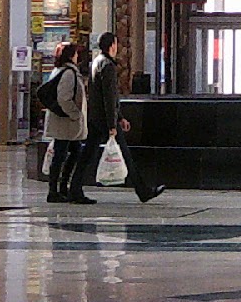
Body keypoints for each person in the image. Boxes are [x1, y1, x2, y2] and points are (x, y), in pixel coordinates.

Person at [76, 32, 164, 203]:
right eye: (116, 44)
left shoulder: (96, 63)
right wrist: (112, 123)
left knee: (87, 154)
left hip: (96, 118)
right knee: (125, 154)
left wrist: (120, 117)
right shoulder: (107, 65)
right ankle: (143, 191)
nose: (117, 48)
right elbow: (110, 97)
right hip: (105, 120)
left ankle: (74, 187)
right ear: (112, 45)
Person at [42, 42, 89, 203]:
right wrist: (75, 114)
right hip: (65, 123)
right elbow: (64, 98)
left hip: (64, 122)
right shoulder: (69, 73)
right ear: (71, 56)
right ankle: (55, 189)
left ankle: (61, 187)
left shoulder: (59, 71)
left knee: (72, 152)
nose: (78, 57)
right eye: (76, 53)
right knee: (62, 154)